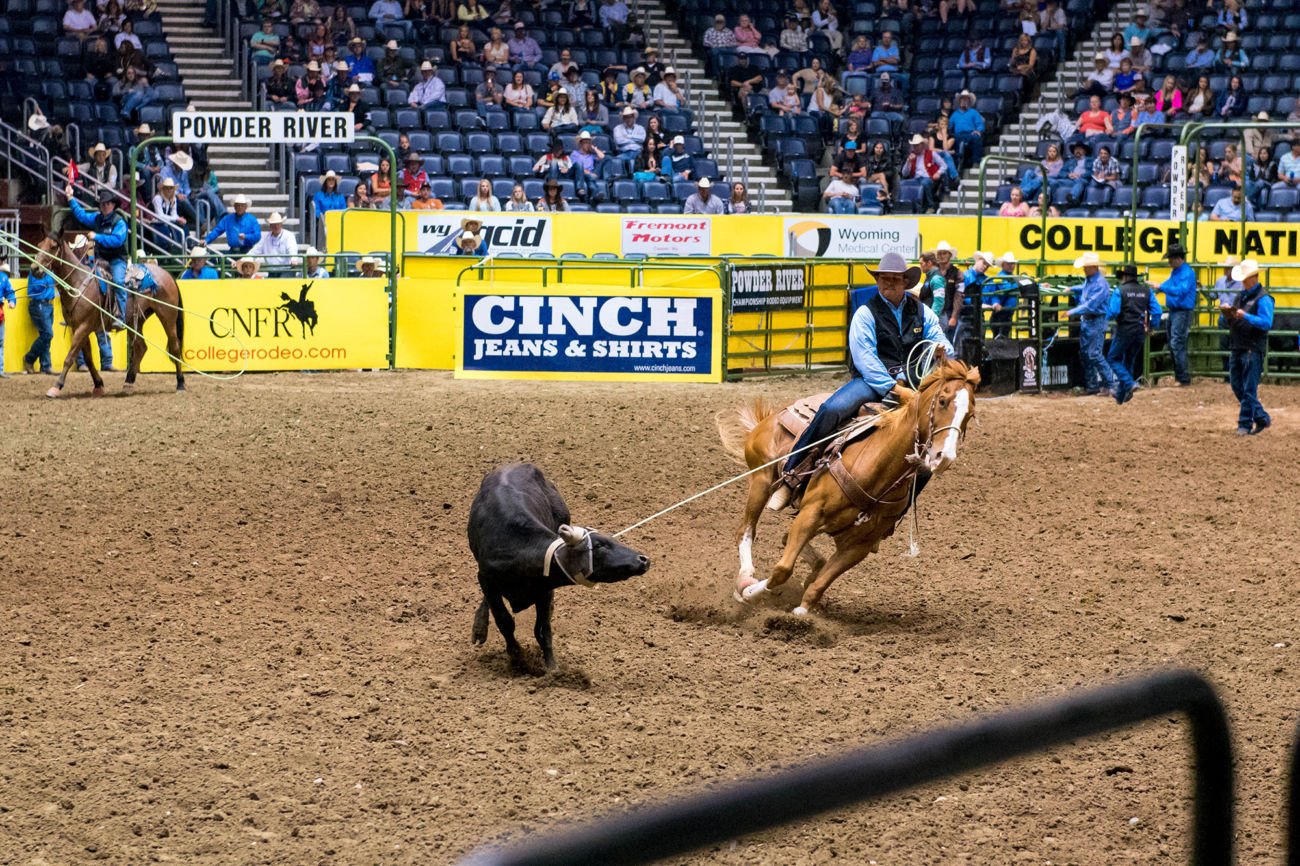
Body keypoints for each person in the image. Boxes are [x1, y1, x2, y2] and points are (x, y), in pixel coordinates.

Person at [768, 252, 954, 510]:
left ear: (905, 282)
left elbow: (940, 338)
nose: (889, 283)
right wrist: (894, 389)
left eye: (895, 279)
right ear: (877, 281)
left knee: (930, 440)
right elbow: (865, 359)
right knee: (832, 409)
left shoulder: (921, 312)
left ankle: (899, 508)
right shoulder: (866, 313)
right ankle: (791, 477)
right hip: (872, 382)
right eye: (884, 279)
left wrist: (942, 350)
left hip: (912, 381)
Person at [1218, 259, 1272, 435]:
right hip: (1239, 345)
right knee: (1237, 385)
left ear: (1253, 278)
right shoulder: (1241, 296)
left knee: (1248, 388)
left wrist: (1245, 316)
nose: (1243, 282)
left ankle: (1245, 424)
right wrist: (1228, 315)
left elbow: (1266, 323)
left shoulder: (1264, 299)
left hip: (1252, 347)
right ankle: (1261, 416)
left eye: (1245, 278)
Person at [65, 187, 129, 328]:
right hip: (100, 258)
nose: (104, 206)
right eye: (102, 204)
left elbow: (117, 240)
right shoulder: (97, 218)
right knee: (84, 277)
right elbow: (81, 215)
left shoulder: (119, 222)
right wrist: (70, 198)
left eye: (107, 204)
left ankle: (121, 316)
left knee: (118, 281)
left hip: (117, 259)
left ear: (113, 205)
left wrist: (97, 236)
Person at [1105, 263, 1162, 404]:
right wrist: (1152, 327)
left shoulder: (1120, 291)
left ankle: (1129, 384)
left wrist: (1105, 320)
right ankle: (1121, 395)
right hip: (1139, 330)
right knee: (1129, 360)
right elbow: (1157, 311)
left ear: (1124, 277)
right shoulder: (1146, 291)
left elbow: (1114, 311)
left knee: (1113, 358)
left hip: (1124, 329)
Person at [1066, 251, 1116, 397]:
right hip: (1089, 320)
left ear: (1093, 267)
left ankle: (1110, 385)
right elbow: (1084, 289)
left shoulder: (1101, 284)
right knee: (1086, 354)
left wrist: (1073, 311)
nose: (1084, 269)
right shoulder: (1091, 281)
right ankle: (1093, 386)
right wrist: (1073, 288)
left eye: (1086, 267)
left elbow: (1091, 304)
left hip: (1096, 319)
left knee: (1094, 354)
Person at [1155, 243, 1196, 386]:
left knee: (1176, 343)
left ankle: (1182, 377)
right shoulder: (1180, 272)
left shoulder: (1186, 273)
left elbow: (1180, 290)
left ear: (1178, 258)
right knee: (1175, 343)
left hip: (1182, 311)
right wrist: (1160, 287)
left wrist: (1160, 287)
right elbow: (1173, 286)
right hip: (1176, 311)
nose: (1169, 262)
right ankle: (1181, 376)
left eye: (1171, 259)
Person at [21, 261, 57, 375]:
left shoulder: (50, 272)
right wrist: (43, 275)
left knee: (45, 335)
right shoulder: (34, 273)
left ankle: (46, 365)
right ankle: (29, 358)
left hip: (49, 304)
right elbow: (36, 288)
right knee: (48, 334)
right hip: (39, 304)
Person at [986, 253, 1019, 338]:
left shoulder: (1010, 277)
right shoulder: (1001, 277)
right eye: (1008, 264)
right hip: (1001, 312)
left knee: (1003, 334)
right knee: (1002, 334)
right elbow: (1007, 288)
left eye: (1012, 264)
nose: (1011, 266)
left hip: (1005, 312)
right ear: (1003, 265)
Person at [950, 91, 985, 170]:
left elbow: (980, 125)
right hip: (957, 135)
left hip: (970, 134)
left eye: (966, 99)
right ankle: (957, 165)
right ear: (959, 101)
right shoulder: (955, 114)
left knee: (977, 138)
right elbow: (949, 125)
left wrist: (978, 130)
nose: (964, 101)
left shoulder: (973, 112)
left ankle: (976, 162)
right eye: (962, 99)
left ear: (969, 101)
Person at [920, 251, 946, 318]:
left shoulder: (936, 279)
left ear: (929, 263)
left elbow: (939, 301)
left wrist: (932, 318)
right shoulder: (930, 276)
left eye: (921, 263)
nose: (920, 266)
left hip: (936, 319)